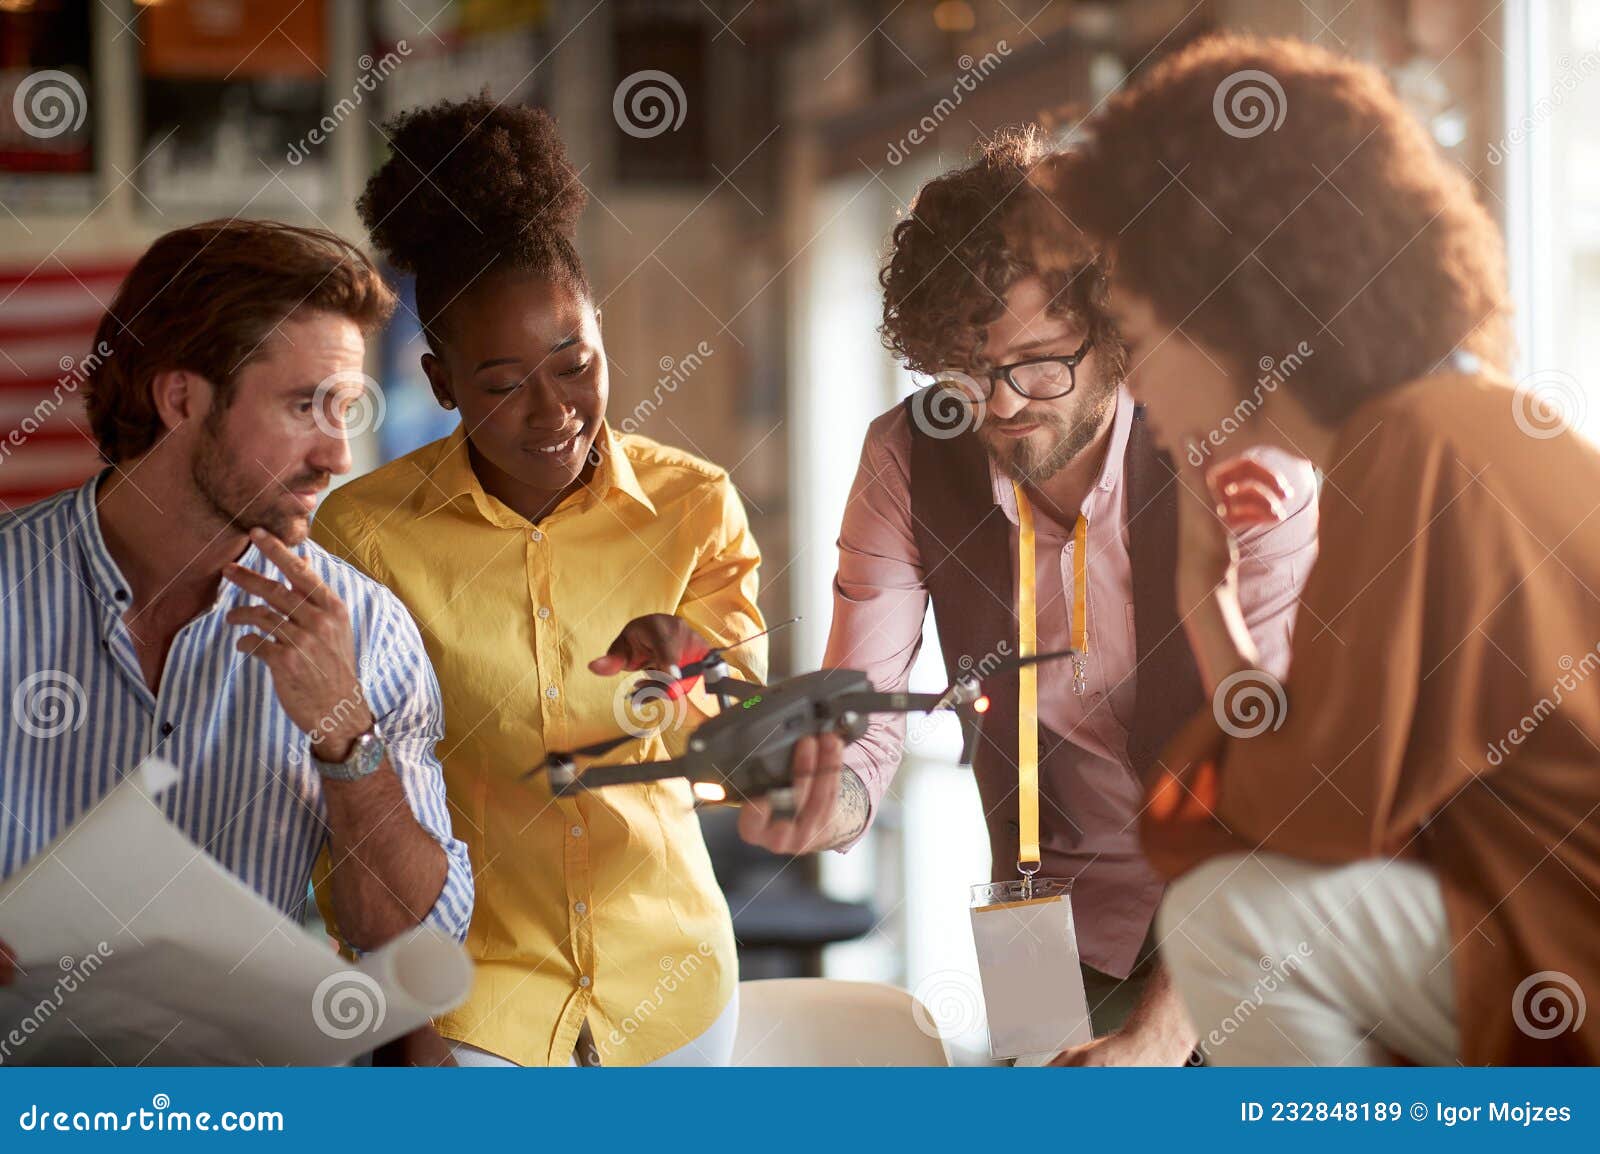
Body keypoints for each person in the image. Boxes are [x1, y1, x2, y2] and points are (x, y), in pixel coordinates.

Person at [1046, 33, 1600, 1065]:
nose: (1130, 380)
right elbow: (1323, 784)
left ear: (1221, 303)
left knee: (1231, 917)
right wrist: (1205, 599)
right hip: (1542, 933)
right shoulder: (1438, 427)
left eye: (1132, 324)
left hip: (1569, 948)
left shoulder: (1420, 444)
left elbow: (1306, 812)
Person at [745, 128, 1319, 1064]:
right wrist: (823, 795)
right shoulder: (903, 458)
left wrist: (1158, 1035)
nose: (1003, 405)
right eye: (968, 373)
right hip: (1036, 911)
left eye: (1041, 362)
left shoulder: (1241, 453)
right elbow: (863, 721)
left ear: (1119, 331)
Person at [312, 95, 836, 1068]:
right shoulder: (365, 536)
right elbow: (353, 804)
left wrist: (740, 712)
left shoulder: (692, 505)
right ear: (439, 381)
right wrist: (410, 1023)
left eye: (574, 363)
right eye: (504, 382)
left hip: (669, 986)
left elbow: (735, 732)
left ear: (604, 341)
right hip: (474, 1005)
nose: (553, 411)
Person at [0, 221, 474, 1061]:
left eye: (345, 411)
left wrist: (344, 731)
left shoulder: (367, 632)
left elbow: (403, 945)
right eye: (304, 407)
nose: (336, 455)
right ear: (180, 400)